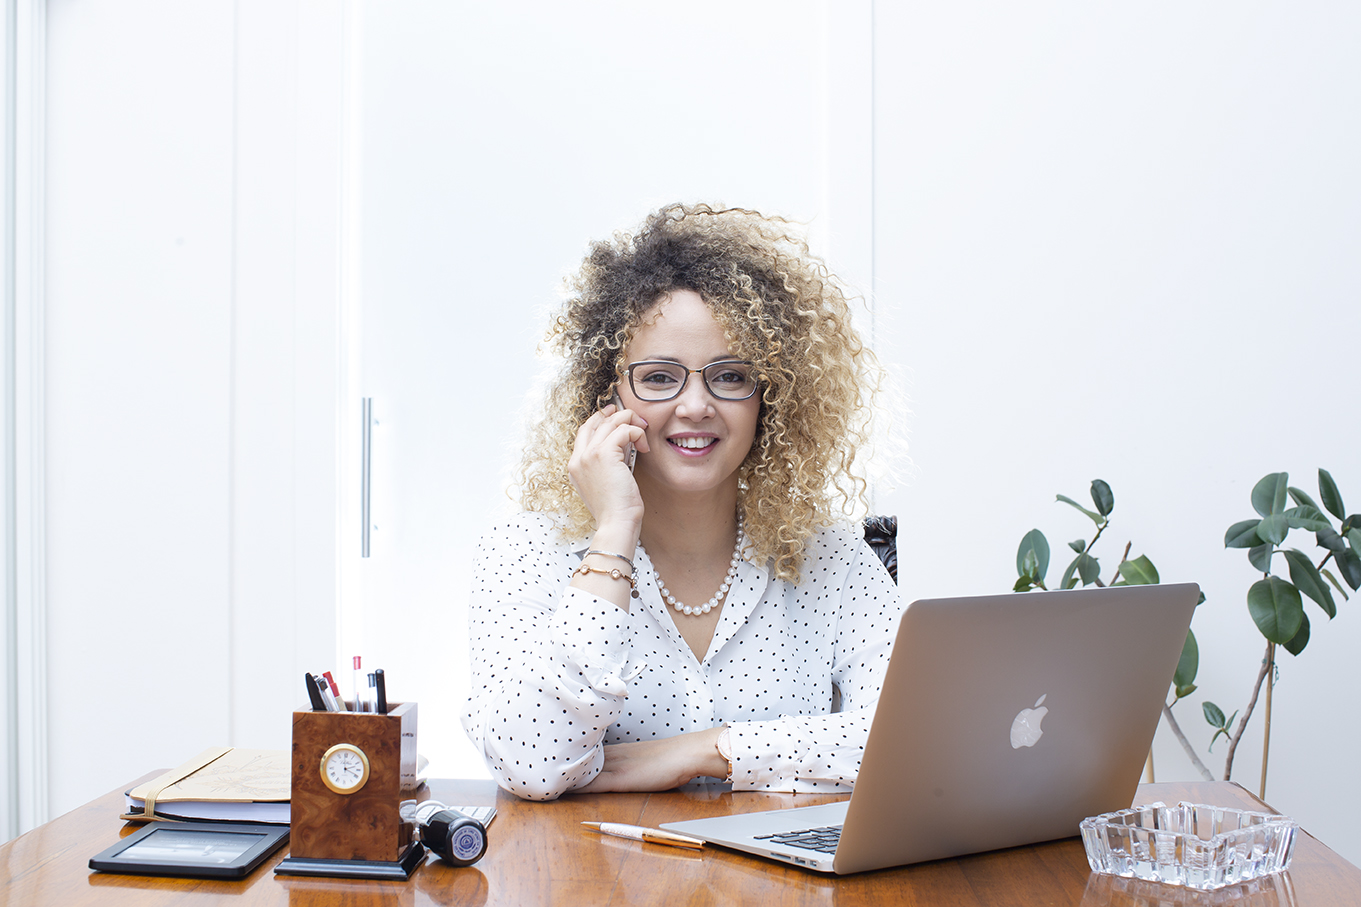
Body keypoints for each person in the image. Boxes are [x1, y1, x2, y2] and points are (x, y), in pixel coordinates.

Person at [461, 203, 901, 801]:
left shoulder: (835, 553)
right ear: (607, 393)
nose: (696, 406)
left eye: (729, 375)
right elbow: (531, 764)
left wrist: (707, 751)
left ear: (768, 396)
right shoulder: (526, 550)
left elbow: (902, 743)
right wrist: (614, 528)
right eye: (660, 377)